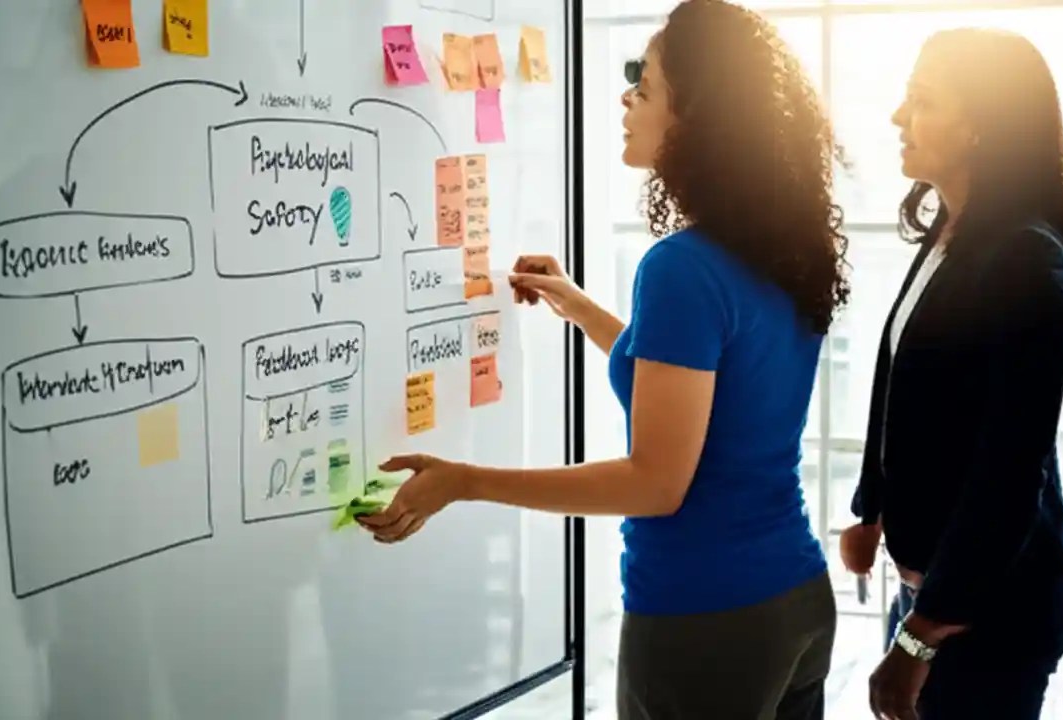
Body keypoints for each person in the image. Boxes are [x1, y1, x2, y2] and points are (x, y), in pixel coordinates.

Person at [358, 1, 849, 717]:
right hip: (793, 602)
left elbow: (655, 483)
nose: (625, 100)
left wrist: (464, 480)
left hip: (707, 620)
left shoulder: (682, 267)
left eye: (645, 88)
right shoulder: (775, 249)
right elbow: (702, 384)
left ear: (697, 122)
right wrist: (576, 304)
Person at [838, 28, 1063, 720]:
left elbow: (1010, 468)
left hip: (993, 601)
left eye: (920, 101)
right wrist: (872, 509)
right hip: (943, 587)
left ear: (982, 125)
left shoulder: (1026, 261)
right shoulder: (951, 233)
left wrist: (918, 639)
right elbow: (900, 387)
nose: (897, 118)